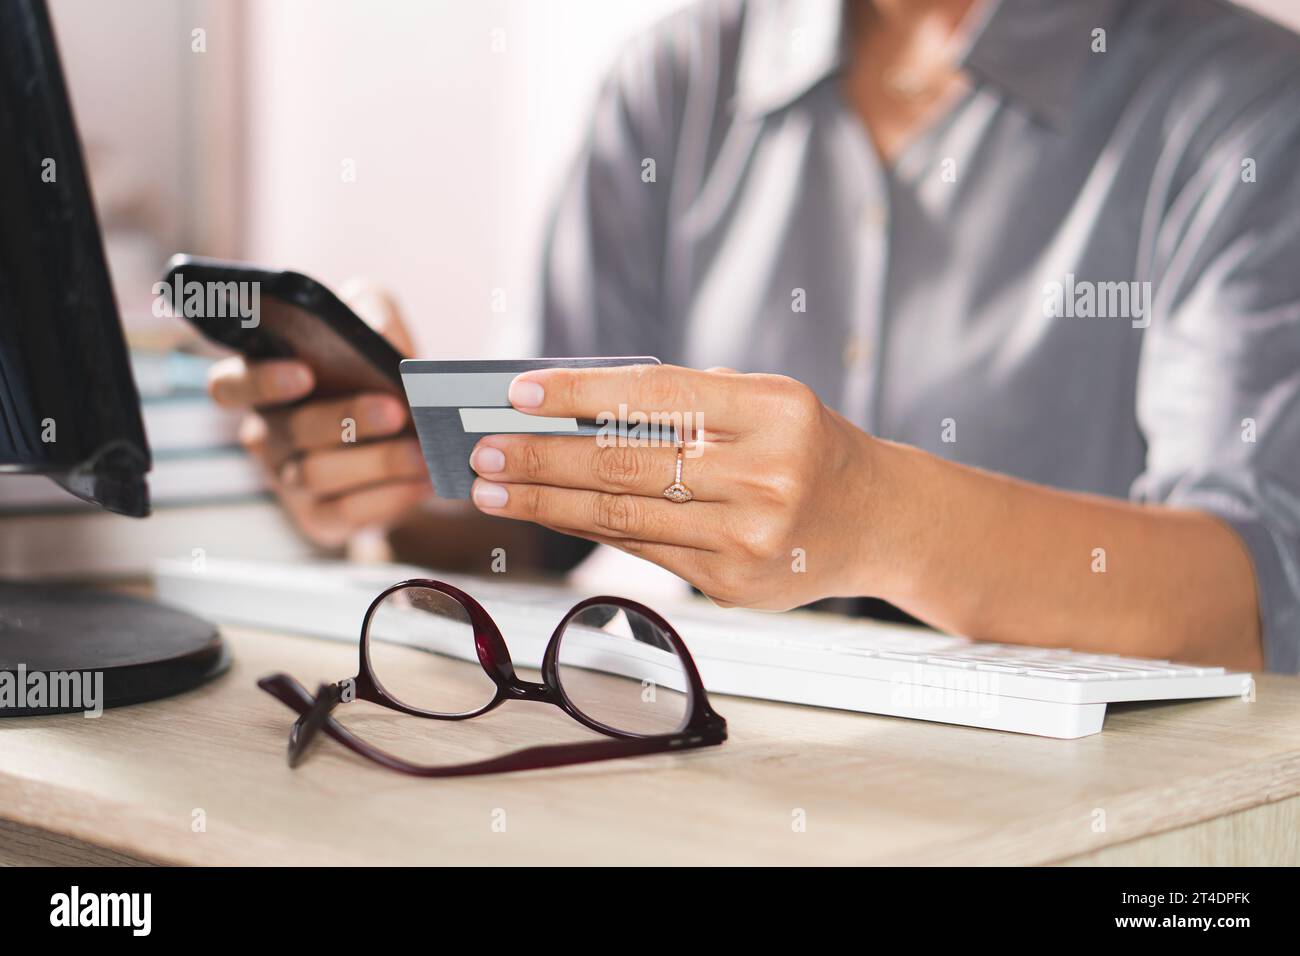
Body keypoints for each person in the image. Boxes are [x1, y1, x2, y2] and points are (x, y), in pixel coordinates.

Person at [210, 0, 1300, 672]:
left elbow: (1255, 596)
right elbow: (543, 521)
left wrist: (881, 516)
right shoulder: (671, 83)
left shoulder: (1246, 106)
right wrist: (402, 477)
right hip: (723, 777)